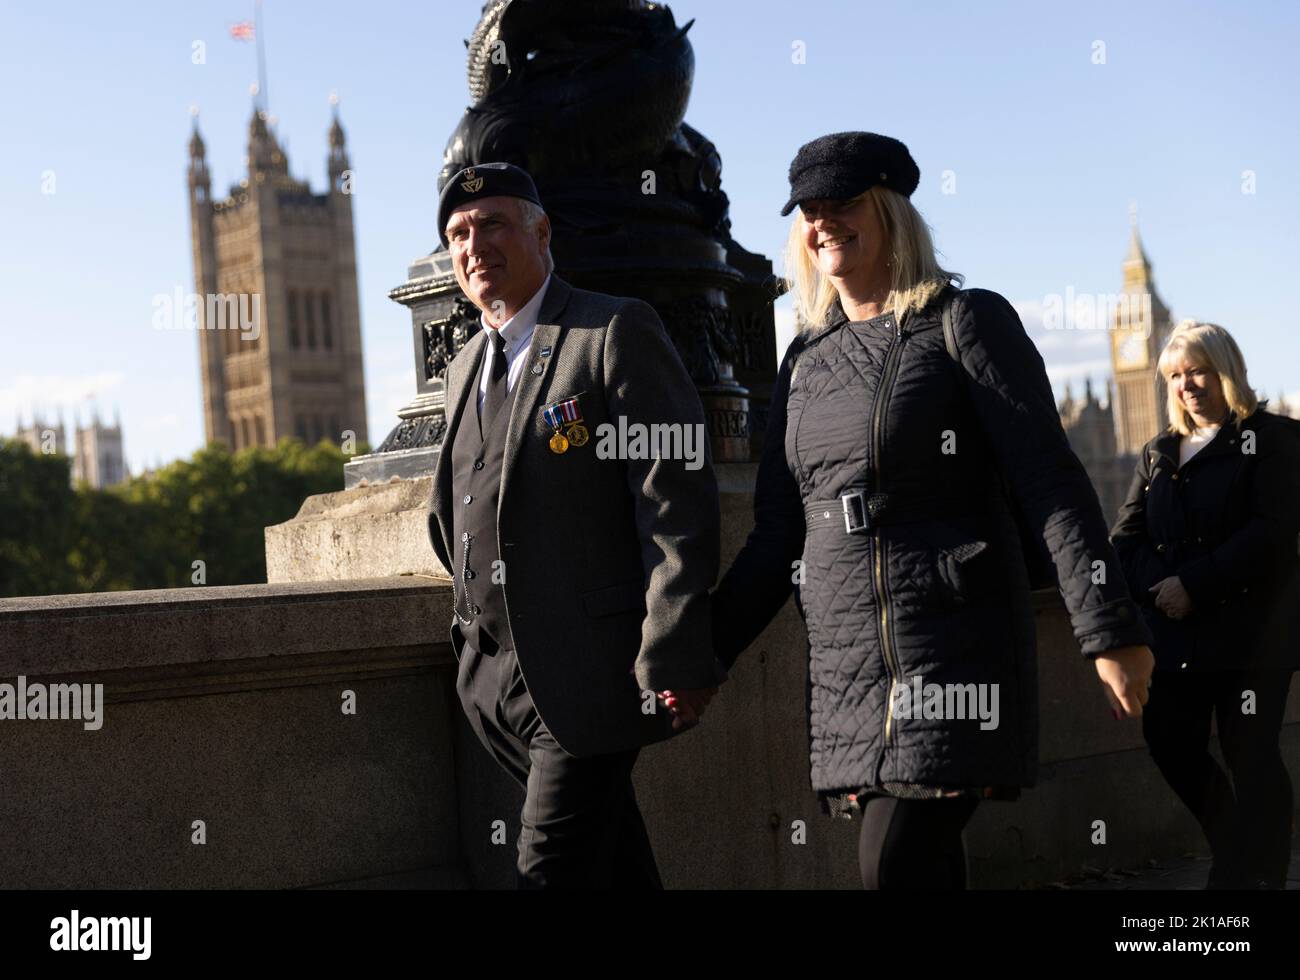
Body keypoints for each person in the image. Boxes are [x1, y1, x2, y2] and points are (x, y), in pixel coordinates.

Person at [710, 132, 1155, 889]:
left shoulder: (966, 322)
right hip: (850, 667)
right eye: (809, 211)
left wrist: (1108, 626)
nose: (823, 223)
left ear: (889, 212)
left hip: (952, 648)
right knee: (923, 870)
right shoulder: (805, 363)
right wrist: (702, 651)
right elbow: (778, 532)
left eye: (842, 204)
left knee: (894, 862)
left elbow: (1050, 481)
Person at [425, 161, 723, 888]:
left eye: (493, 223)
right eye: (458, 234)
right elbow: (454, 506)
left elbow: (673, 498)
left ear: (542, 232)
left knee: (546, 872)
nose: (474, 245)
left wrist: (674, 644)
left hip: (592, 673)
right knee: (615, 864)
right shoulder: (464, 365)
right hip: (492, 680)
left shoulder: (610, 330)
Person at [1110, 320, 1300, 888]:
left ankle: (1256, 877)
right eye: (1174, 376)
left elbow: (1273, 531)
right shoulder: (1158, 453)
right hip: (1179, 634)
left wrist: (1196, 583)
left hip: (1253, 633)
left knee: (1252, 754)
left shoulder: (1271, 439)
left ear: (1226, 373)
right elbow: (1126, 540)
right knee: (1168, 739)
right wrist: (1165, 586)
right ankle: (1235, 851)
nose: (1186, 385)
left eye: (1197, 371)